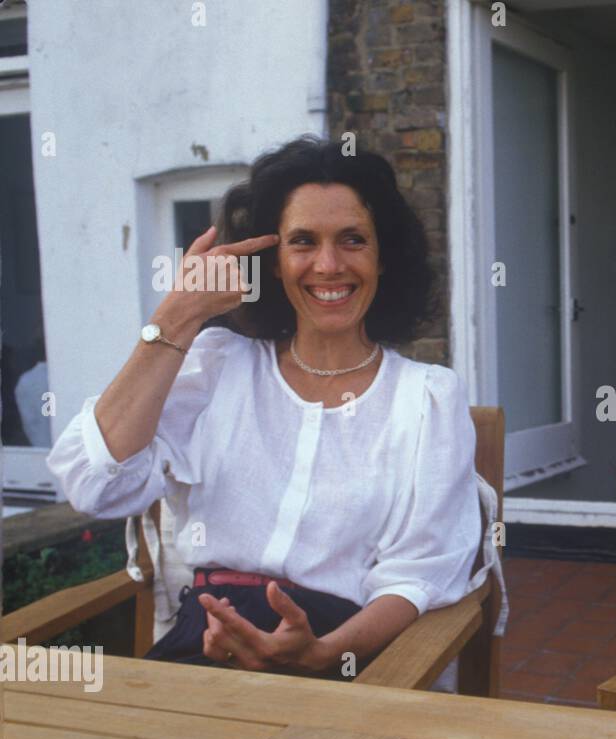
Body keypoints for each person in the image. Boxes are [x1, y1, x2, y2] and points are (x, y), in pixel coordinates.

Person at [46, 137, 483, 677]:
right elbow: (96, 484)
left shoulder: (427, 399)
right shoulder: (217, 366)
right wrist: (178, 316)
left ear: (382, 257)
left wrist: (325, 651)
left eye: (352, 239)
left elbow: (419, 573)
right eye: (302, 241)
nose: (328, 265)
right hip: (202, 644)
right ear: (273, 262)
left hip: (340, 655)